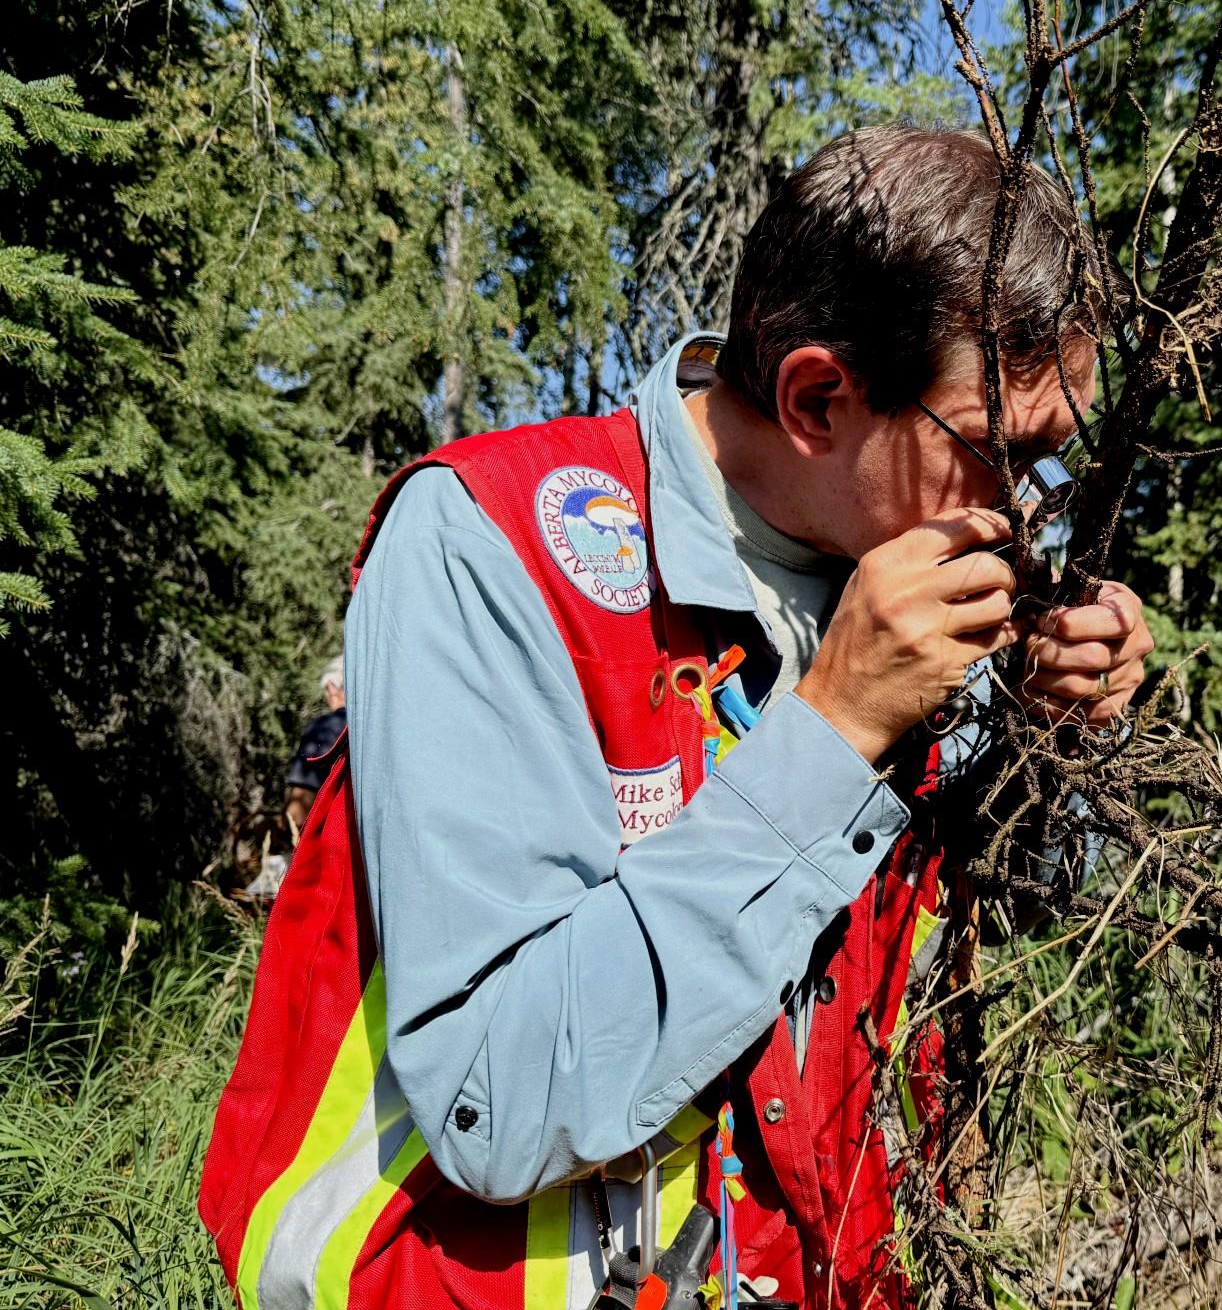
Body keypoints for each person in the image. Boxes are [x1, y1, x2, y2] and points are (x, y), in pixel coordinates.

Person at [198, 125, 1155, 1310]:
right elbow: (496, 1106)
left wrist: (1053, 739)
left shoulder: (912, 578)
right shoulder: (487, 547)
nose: (1030, 506)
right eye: (1005, 453)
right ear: (816, 395)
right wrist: (834, 728)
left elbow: (1009, 929)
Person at [281, 656, 346, 837]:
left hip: (335, 840)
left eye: (327, 688)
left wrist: (286, 830)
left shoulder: (325, 726)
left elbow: (300, 804)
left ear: (333, 688)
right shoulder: (382, 726)